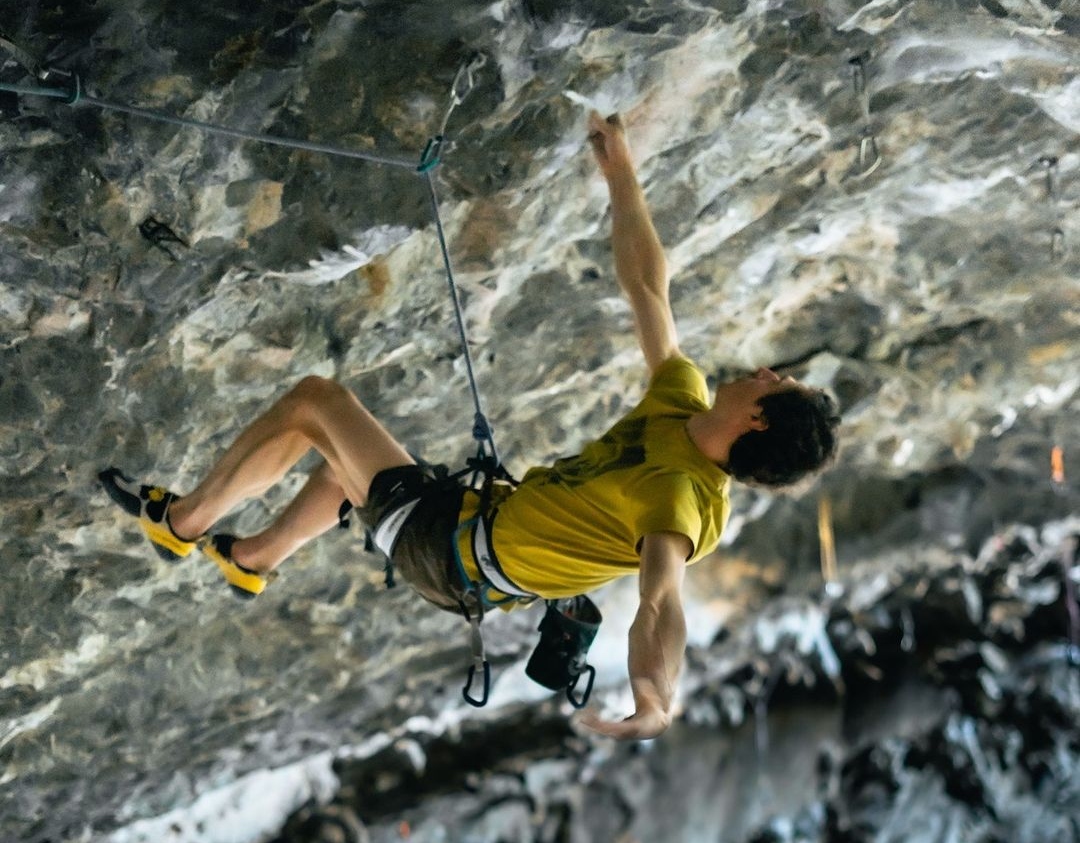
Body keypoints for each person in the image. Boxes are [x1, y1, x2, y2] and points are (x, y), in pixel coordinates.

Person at [101, 111, 839, 741]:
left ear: (758, 416)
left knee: (317, 404)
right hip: (470, 523)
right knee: (346, 467)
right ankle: (254, 557)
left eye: (778, 381)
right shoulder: (684, 398)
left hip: (451, 552)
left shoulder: (679, 501)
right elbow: (649, 288)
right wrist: (621, 175)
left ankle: (185, 522)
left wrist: (654, 694)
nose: (767, 369)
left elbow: (659, 601)